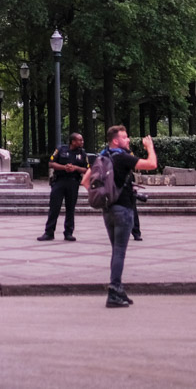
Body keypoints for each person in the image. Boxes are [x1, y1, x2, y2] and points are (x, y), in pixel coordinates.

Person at [82, 125, 157, 308]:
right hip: (123, 209)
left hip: (108, 210)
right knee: (119, 252)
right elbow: (152, 164)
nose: (128, 140)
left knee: (116, 251)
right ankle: (114, 291)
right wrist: (150, 147)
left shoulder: (102, 156)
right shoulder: (123, 157)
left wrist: (106, 195)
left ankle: (119, 289)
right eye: (125, 137)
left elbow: (85, 181)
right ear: (115, 140)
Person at [38, 132, 89, 241]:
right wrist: (64, 167)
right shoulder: (61, 150)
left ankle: (68, 232)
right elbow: (51, 163)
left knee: (70, 208)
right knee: (54, 207)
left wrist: (75, 168)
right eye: (80, 140)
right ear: (73, 141)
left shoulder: (83, 154)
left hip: (73, 182)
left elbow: (86, 169)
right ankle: (49, 232)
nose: (82, 142)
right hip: (59, 181)